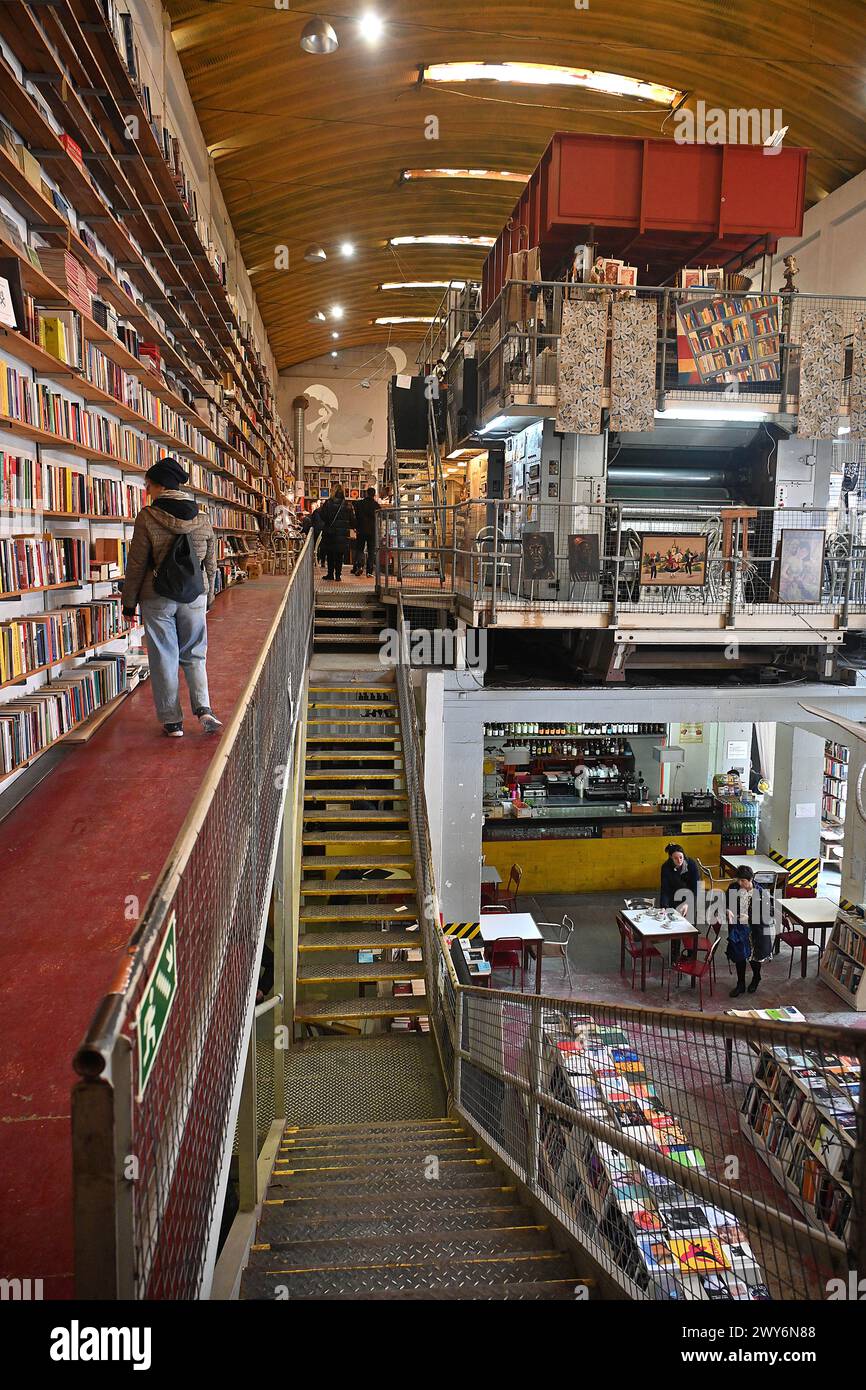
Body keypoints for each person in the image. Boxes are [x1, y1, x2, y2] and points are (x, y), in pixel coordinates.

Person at [122, 457, 221, 738]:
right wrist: (209, 593)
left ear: (160, 486)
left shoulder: (147, 516)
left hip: (157, 597)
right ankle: (204, 709)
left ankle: (173, 722)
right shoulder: (202, 518)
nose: (148, 491)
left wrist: (129, 602)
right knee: (194, 654)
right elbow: (210, 562)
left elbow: (137, 564)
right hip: (194, 596)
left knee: (164, 656)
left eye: (149, 485)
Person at [726, 865, 774, 997]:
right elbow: (727, 903)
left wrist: (750, 917)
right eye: (739, 880)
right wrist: (728, 910)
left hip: (755, 931)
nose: (740, 883)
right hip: (738, 930)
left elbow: (769, 913)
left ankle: (756, 978)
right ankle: (740, 984)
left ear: (750, 879)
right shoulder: (733, 888)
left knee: (754, 959)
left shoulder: (761, 893)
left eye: (743, 881)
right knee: (739, 957)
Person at [316, 485, 354, 581]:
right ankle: (338, 575)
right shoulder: (347, 505)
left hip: (330, 533)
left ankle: (330, 574)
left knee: (330, 554)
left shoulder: (328, 503)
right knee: (339, 555)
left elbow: (323, 516)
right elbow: (353, 520)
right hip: (342, 535)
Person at [660, 843, 699, 918]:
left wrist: (687, 903)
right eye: (675, 858)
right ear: (671, 858)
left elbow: (696, 888)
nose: (679, 860)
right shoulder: (665, 867)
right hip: (673, 895)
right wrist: (664, 907)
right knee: (671, 920)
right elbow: (665, 889)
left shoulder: (691, 864)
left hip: (690, 895)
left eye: (681, 857)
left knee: (689, 922)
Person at [352, 486, 380, 576]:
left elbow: (354, 508)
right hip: (372, 531)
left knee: (360, 549)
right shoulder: (376, 505)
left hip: (361, 529)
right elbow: (379, 514)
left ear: (366, 494)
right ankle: (369, 571)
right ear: (374, 495)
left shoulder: (360, 503)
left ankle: (359, 566)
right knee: (371, 550)